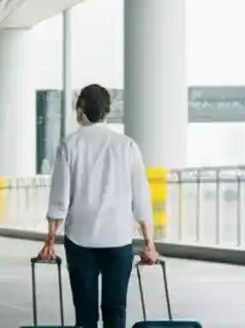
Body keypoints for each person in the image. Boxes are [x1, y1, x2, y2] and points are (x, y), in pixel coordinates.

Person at [36, 84, 159, 328]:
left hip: (80, 240)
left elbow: (60, 200)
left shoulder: (69, 145)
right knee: (116, 311)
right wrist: (150, 244)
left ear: (80, 109)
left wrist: (49, 242)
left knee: (85, 314)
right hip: (118, 239)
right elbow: (141, 200)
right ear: (107, 112)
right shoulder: (127, 145)